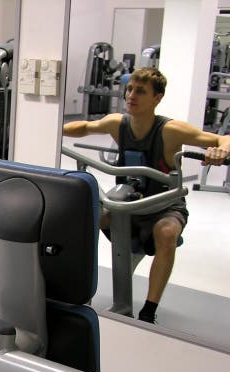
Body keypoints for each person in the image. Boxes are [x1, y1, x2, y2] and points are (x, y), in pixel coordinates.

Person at [63, 67, 230, 324]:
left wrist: (219, 152)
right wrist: (52, 127)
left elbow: (223, 139)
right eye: (129, 89)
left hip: (164, 206)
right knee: (87, 217)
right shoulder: (117, 124)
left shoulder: (171, 130)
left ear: (157, 98)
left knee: (165, 233)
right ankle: (79, 291)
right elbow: (85, 126)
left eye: (140, 91)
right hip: (127, 205)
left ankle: (149, 311)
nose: (131, 95)